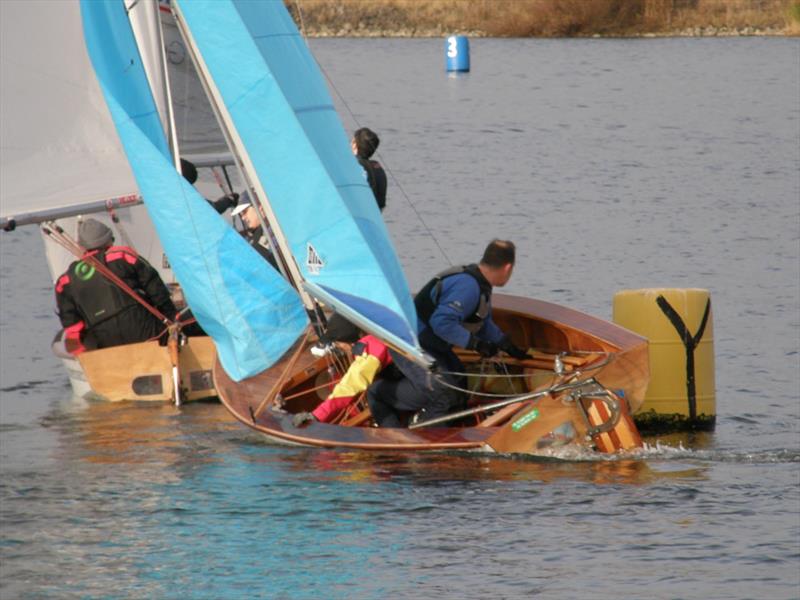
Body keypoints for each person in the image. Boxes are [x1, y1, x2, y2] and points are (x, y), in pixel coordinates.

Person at [367, 239, 530, 428]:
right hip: (410, 345)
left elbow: (482, 322)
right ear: (508, 268)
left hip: (433, 346)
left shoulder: (480, 283)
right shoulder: (467, 286)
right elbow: (442, 323)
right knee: (443, 394)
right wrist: (476, 344)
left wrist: (506, 344)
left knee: (460, 383)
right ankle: (385, 401)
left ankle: (454, 430)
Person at [55, 219, 180, 354]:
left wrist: (80, 347)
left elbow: (71, 322)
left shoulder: (65, 280)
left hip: (105, 343)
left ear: (82, 247)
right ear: (108, 241)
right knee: (189, 324)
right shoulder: (123, 256)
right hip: (144, 332)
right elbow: (155, 288)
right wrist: (172, 316)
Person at [231, 192, 278, 270]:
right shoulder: (260, 234)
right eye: (241, 214)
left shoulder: (275, 231)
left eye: (245, 212)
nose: (243, 218)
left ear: (260, 208)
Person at [351, 127, 387, 212]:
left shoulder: (355, 166)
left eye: (352, 141)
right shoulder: (377, 168)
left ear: (355, 145)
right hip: (375, 215)